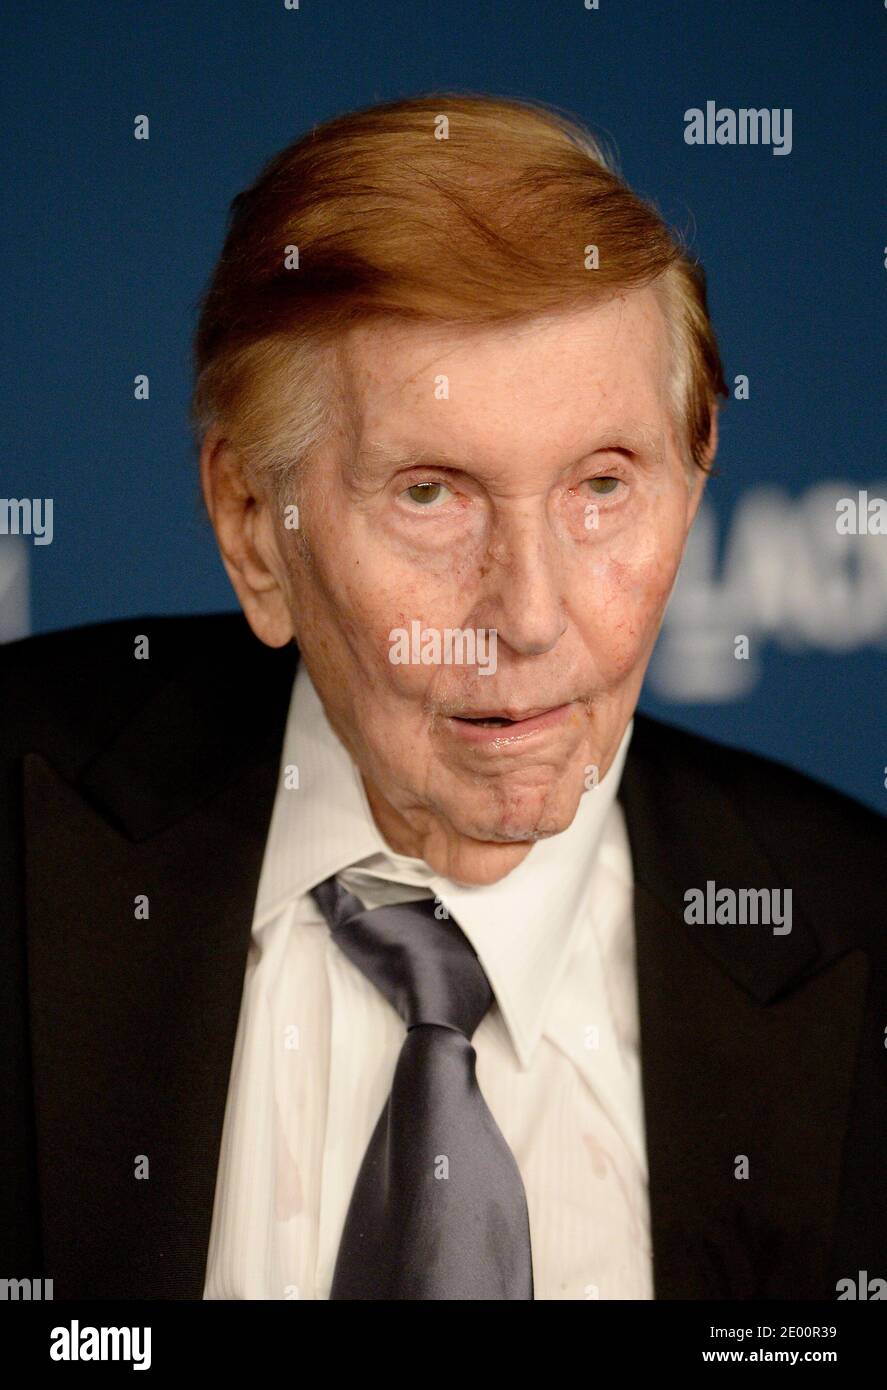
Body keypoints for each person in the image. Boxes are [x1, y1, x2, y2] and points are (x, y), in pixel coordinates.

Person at [2, 93, 884, 1301]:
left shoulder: (856, 939)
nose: (528, 615)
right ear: (253, 526)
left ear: (692, 483)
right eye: (428, 494)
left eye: (601, 485)